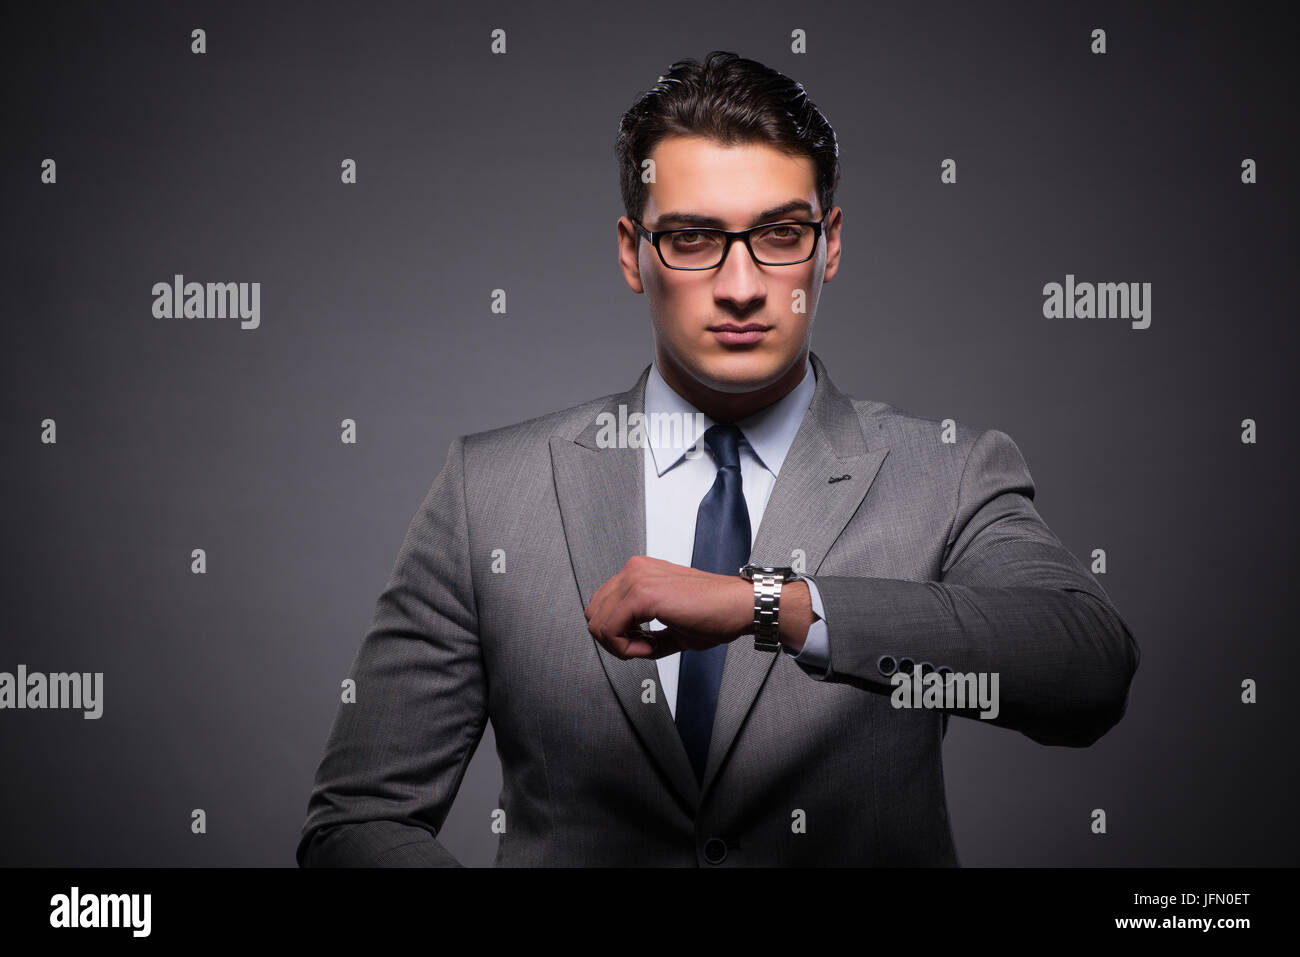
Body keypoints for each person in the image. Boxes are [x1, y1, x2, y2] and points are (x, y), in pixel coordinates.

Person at [296, 50, 1139, 867]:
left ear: (830, 244)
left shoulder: (947, 473)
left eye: (779, 233)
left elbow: (1088, 670)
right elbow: (357, 819)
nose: (740, 284)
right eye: (694, 239)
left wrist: (768, 605)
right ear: (633, 251)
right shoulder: (490, 490)